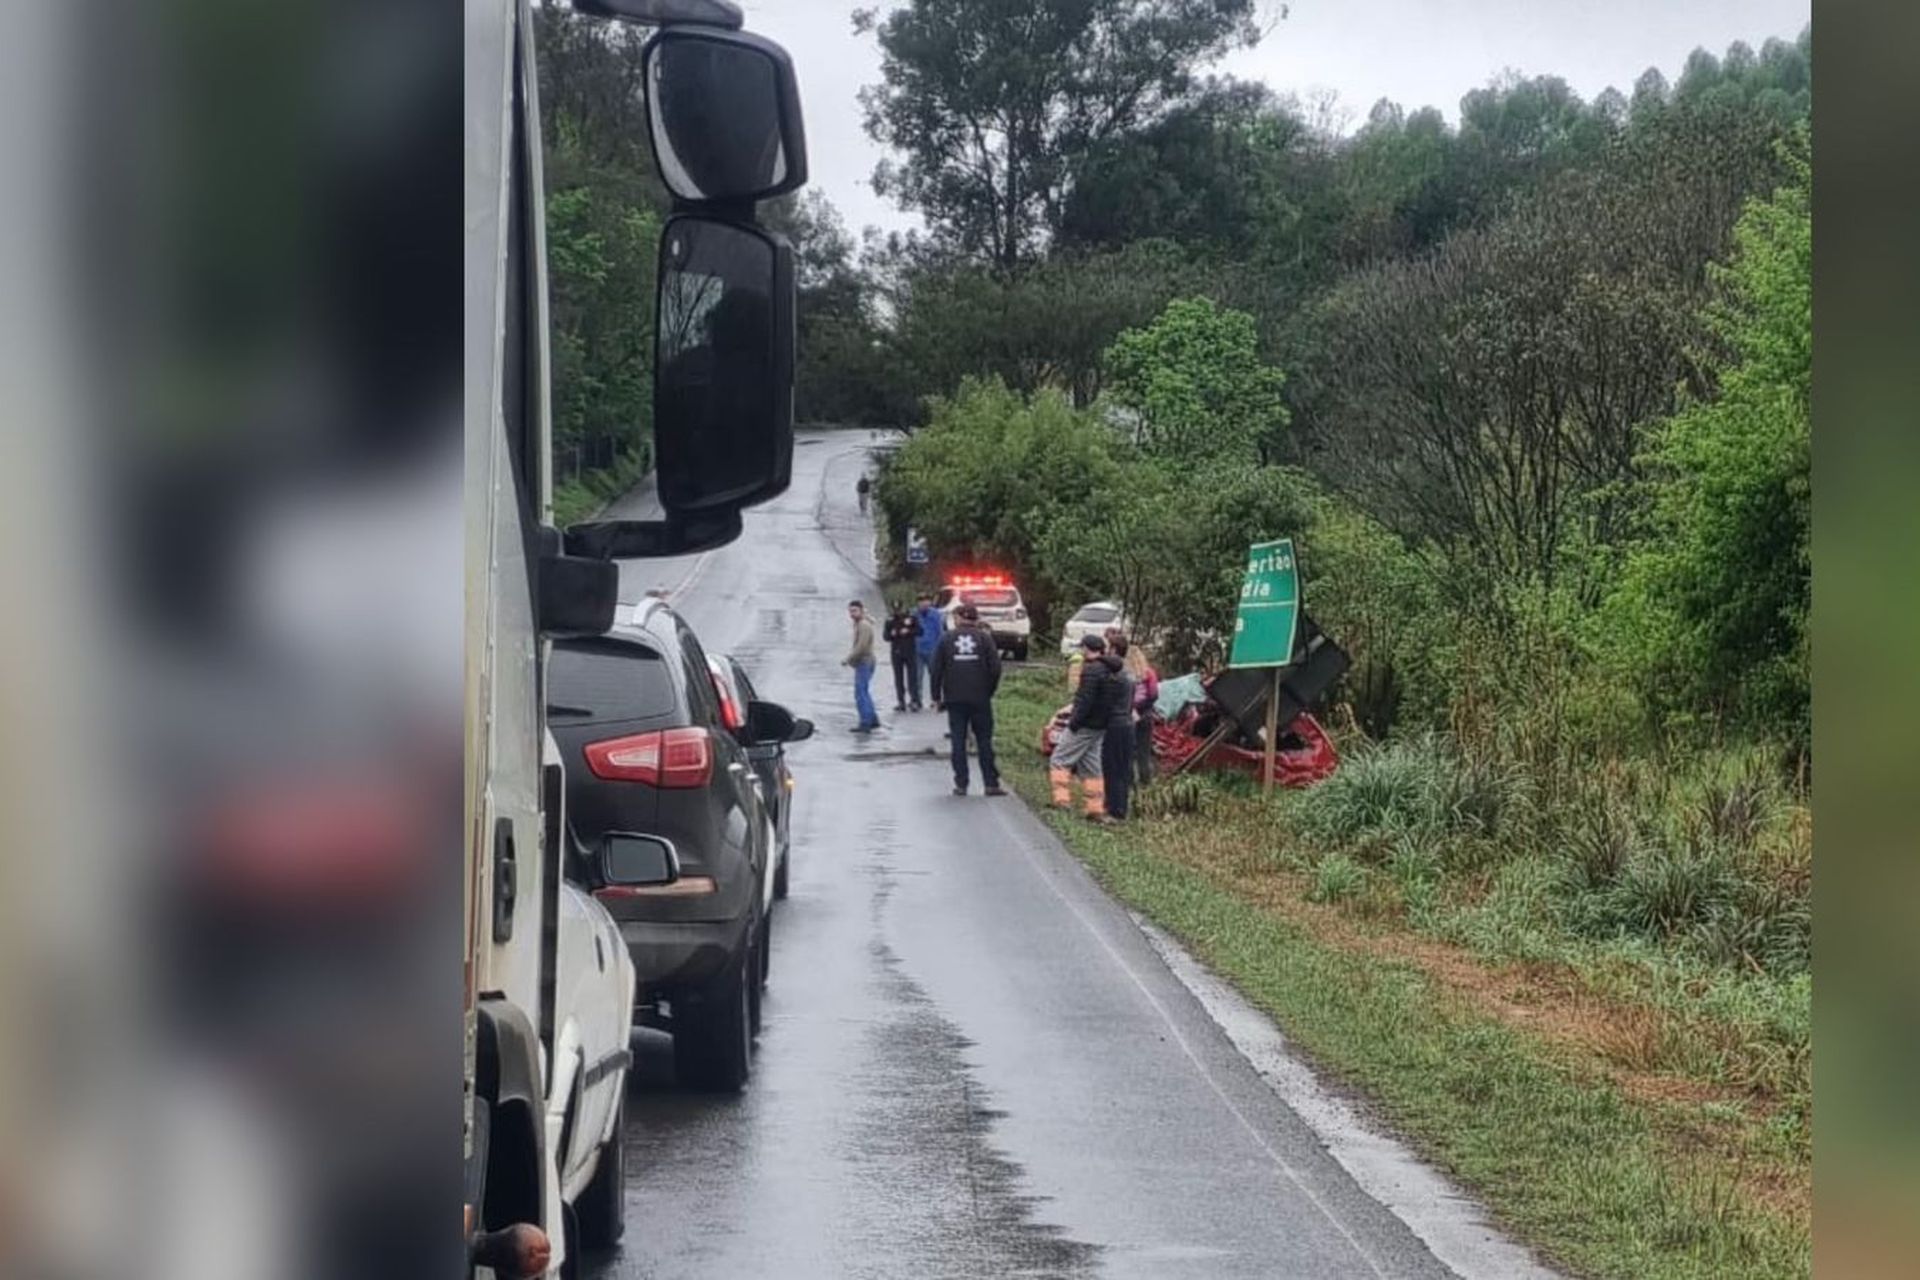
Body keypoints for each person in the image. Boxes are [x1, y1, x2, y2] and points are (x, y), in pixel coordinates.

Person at [930, 603, 1005, 796]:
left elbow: (935, 669)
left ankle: (961, 784)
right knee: (984, 741)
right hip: (980, 698)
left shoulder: (946, 639)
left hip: (954, 698)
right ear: (975, 619)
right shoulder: (985, 639)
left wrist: (936, 697)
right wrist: (988, 690)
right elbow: (996, 669)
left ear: (959, 619)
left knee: (958, 740)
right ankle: (990, 784)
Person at [1049, 634, 1127, 822]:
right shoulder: (1114, 671)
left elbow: (1085, 700)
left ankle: (1061, 801)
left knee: (1059, 760)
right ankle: (1095, 809)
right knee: (1092, 768)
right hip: (1101, 726)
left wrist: (1074, 722)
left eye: (1082, 648)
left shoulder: (1092, 670)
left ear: (1086, 649)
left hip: (1084, 725)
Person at [1100, 633, 1139, 820]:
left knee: (1112, 767)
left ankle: (1114, 810)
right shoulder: (1130, 675)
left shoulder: (1116, 676)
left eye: (1108, 648)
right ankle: (1119, 807)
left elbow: (1107, 702)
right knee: (1122, 768)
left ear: (1114, 650)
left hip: (1116, 725)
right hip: (1127, 724)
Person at [1124, 636, 1160, 787]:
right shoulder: (1149, 673)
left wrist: (1132, 709)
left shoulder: (1125, 674)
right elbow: (1154, 695)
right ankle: (1146, 784)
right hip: (1145, 715)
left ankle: (1130, 783)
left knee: (1128, 753)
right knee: (1144, 753)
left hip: (1128, 715)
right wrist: (1143, 708)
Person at [844, 600, 880, 733]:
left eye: (854, 611)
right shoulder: (860, 624)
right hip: (865, 661)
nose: (852, 614)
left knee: (860, 693)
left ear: (861, 610)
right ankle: (873, 719)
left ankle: (865, 722)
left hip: (864, 661)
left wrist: (848, 659)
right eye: (850, 611)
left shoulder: (863, 625)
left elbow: (862, 646)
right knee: (864, 691)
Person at [883, 601, 923, 712]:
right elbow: (885, 637)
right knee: (898, 678)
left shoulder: (911, 618)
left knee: (912, 678)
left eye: (899, 609)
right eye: (896, 610)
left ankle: (914, 700)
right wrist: (891, 634)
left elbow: (920, 631)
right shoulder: (890, 620)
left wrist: (909, 631)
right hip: (896, 652)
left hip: (910, 651)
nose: (898, 612)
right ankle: (901, 701)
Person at [913, 592, 944, 705]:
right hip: (917, 649)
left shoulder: (935, 614)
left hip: (932, 648)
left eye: (926, 601)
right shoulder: (913, 614)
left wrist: (940, 647)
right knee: (917, 676)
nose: (924, 603)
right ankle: (917, 699)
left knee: (935, 675)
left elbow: (940, 631)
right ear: (918, 603)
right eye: (921, 601)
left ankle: (935, 698)